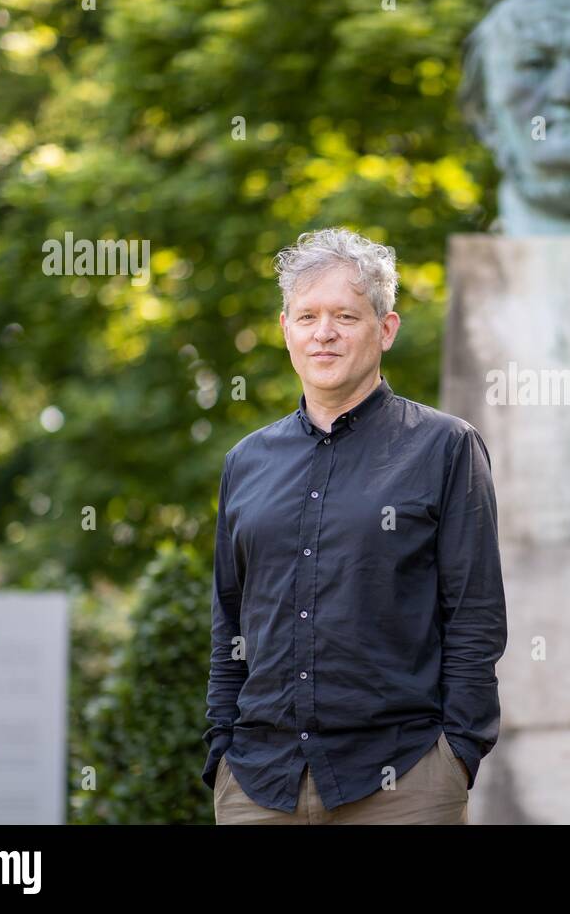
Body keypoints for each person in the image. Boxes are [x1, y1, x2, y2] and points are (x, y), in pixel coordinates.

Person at [202, 227, 507, 824]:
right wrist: (222, 750)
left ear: (385, 329)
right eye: (307, 315)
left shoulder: (445, 448)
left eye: (346, 315)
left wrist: (457, 755)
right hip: (260, 783)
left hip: (403, 780)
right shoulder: (246, 462)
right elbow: (228, 619)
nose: (324, 333)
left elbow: (475, 617)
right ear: (285, 327)